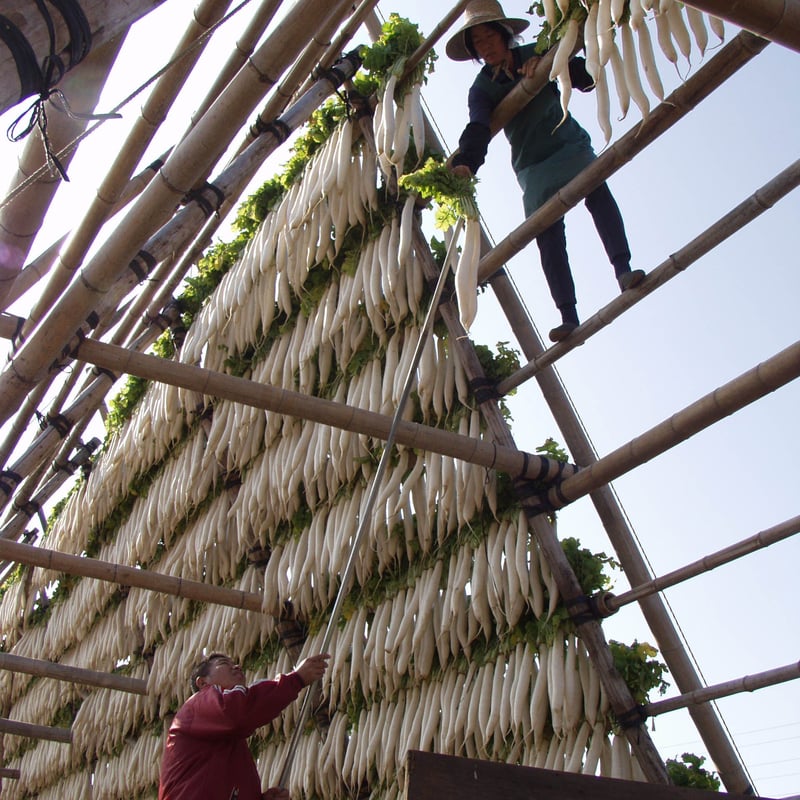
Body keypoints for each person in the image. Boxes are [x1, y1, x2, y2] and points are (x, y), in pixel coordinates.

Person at [446, 0, 645, 343]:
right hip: (532, 165)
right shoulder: (481, 88)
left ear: (503, 35)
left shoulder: (536, 52)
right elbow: (478, 126)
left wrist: (555, 64)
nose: (486, 46)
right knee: (547, 234)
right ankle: (568, 315)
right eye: (477, 43)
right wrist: (467, 161)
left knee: (598, 195)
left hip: (567, 144)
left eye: (489, 37)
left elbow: (586, 79)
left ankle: (623, 269)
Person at [158, 651, 330, 800]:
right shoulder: (196, 707)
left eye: (235, 663)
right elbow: (239, 712)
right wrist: (296, 679)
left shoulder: (229, 741)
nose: (237, 667)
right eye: (225, 664)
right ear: (203, 683)